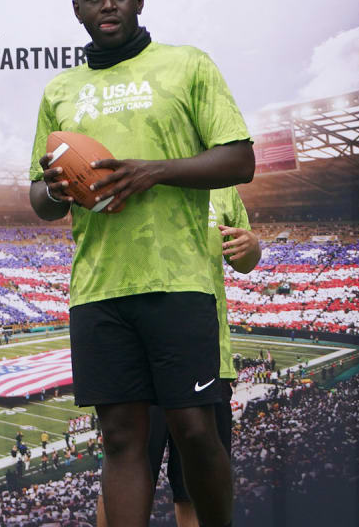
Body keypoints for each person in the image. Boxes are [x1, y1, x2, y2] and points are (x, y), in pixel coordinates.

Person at [28, 0, 253, 527]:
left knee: (196, 429)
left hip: (177, 278)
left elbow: (239, 160)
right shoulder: (60, 90)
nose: (108, 5)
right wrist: (57, 187)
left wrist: (151, 171)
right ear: (76, 7)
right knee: (122, 439)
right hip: (99, 287)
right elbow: (38, 199)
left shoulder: (187, 65)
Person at [98, 187, 261, 527]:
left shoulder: (222, 188)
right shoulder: (134, 173)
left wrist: (252, 247)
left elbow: (243, 262)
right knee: (126, 467)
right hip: (139, 354)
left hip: (205, 352)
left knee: (196, 485)